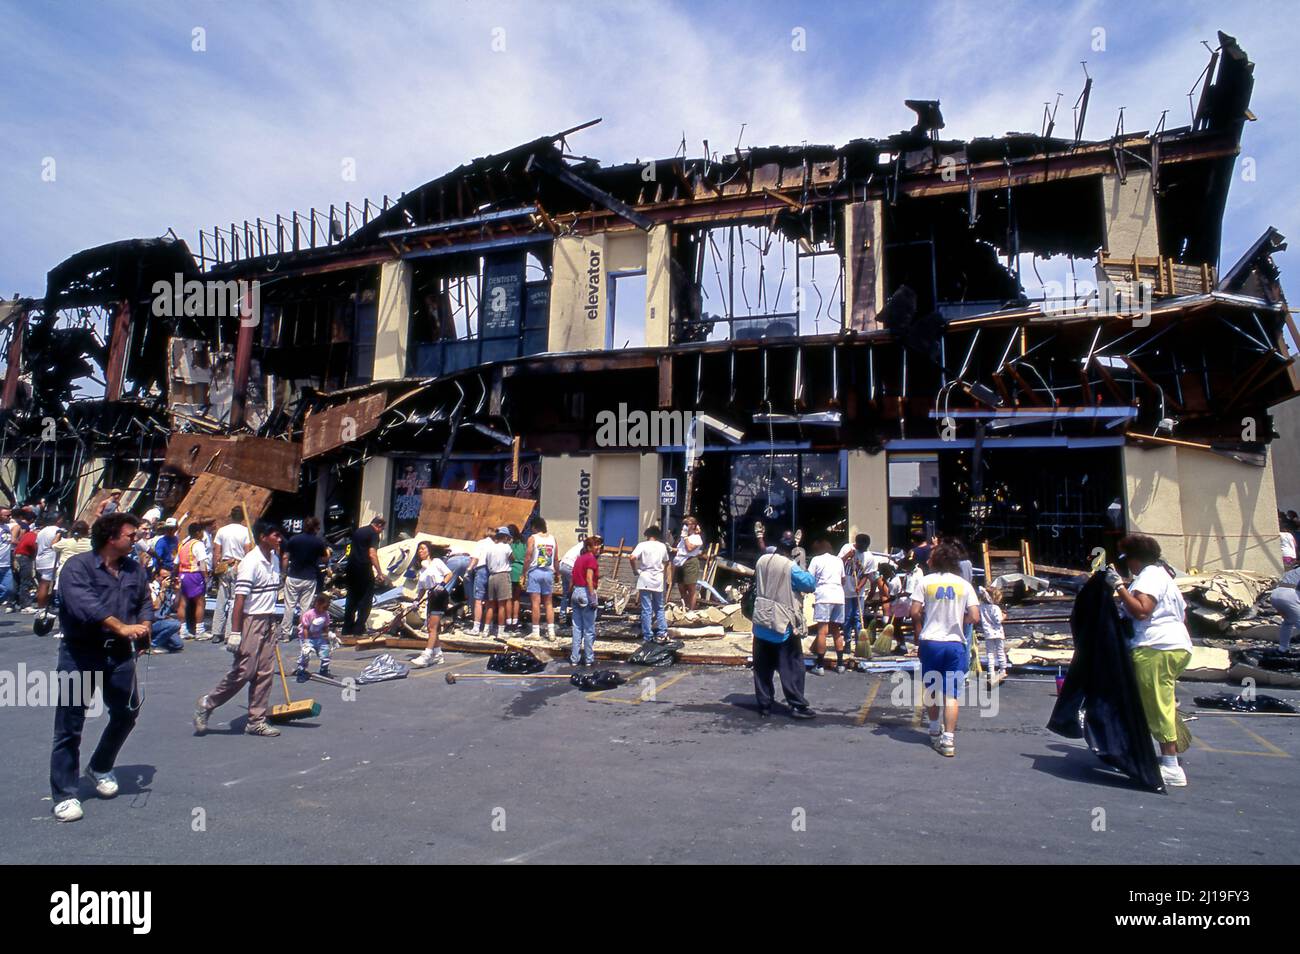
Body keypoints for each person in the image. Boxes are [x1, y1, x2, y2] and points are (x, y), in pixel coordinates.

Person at [50, 512, 152, 822]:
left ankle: (100, 765)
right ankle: (65, 794)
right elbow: (84, 604)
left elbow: (144, 601)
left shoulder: (134, 569)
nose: (136, 540)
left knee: (126, 712)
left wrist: (145, 625)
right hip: (81, 654)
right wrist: (120, 626)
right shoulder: (77, 567)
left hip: (119, 656)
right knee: (70, 725)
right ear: (111, 538)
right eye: (131, 535)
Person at [1106, 533, 1194, 788]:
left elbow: (1143, 611)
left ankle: (1171, 766)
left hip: (1156, 647)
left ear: (1134, 558)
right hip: (1172, 645)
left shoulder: (1151, 577)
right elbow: (1182, 617)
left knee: (1157, 703)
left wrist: (1119, 588)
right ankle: (1156, 751)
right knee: (1157, 701)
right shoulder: (1163, 576)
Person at [193, 520, 286, 738]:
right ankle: (208, 703)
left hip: (269, 620)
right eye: (275, 535)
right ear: (264, 537)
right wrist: (235, 632)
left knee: (265, 673)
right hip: (250, 620)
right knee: (245, 671)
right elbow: (239, 600)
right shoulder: (250, 563)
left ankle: (256, 720)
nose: (279, 539)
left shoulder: (273, 559)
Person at [910, 541, 980, 758]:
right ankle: (948, 740)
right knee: (951, 694)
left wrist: (921, 629)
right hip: (954, 642)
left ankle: (932, 729)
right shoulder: (964, 585)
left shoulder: (925, 582)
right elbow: (975, 617)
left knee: (931, 688)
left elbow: (914, 611)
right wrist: (960, 621)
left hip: (931, 641)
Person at [751, 531, 817, 720]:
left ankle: (764, 705)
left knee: (762, 668)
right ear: (791, 551)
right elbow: (809, 585)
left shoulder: (762, 561)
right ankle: (797, 705)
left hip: (762, 621)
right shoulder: (791, 568)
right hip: (783, 625)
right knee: (792, 667)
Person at [280, 516, 329, 641]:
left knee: (289, 606)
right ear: (316, 528)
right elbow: (324, 558)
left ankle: (286, 633)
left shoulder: (294, 539)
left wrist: (284, 573)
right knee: (305, 607)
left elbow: (285, 557)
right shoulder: (318, 542)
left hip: (293, 575)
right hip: (309, 577)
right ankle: (303, 630)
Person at [211, 509, 253, 644]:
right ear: (242, 518)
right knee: (235, 600)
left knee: (221, 599)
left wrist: (215, 568)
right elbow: (248, 553)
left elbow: (216, 553)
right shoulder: (246, 532)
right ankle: (229, 633)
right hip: (238, 566)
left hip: (224, 565)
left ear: (230, 517)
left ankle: (216, 632)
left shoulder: (222, 531)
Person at [806, 538, 847, 675]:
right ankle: (840, 664)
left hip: (824, 595)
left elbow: (809, 579)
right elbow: (843, 580)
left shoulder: (816, 560)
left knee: (822, 631)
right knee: (836, 630)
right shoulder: (838, 560)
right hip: (839, 596)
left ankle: (820, 665)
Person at [343, 516, 387, 636]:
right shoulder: (373, 534)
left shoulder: (359, 531)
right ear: (378, 526)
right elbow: (372, 554)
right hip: (363, 568)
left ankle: (347, 628)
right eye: (382, 529)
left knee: (351, 598)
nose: (381, 532)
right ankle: (358, 628)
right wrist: (379, 572)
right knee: (366, 599)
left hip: (351, 568)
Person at [411, 542, 452, 668]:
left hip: (439, 594)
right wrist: (416, 600)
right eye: (419, 549)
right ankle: (438, 654)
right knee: (430, 627)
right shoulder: (422, 569)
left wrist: (442, 584)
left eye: (423, 548)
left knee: (433, 627)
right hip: (431, 595)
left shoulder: (437, 562)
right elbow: (422, 588)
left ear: (429, 550)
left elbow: (449, 574)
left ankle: (426, 656)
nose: (420, 551)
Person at [628, 525, 670, 643]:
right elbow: (666, 561)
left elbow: (632, 557)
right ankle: (662, 632)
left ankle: (648, 635)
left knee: (646, 609)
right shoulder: (662, 546)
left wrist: (635, 570)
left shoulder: (642, 545)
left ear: (648, 535)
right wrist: (664, 572)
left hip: (645, 577)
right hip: (658, 578)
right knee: (659, 607)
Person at [839, 533, 878, 655]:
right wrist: (847, 556)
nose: (864, 549)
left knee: (857, 618)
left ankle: (859, 643)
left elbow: (866, 575)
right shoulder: (846, 548)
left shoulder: (869, 557)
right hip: (845, 591)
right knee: (847, 618)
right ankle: (847, 642)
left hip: (858, 593)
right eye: (862, 546)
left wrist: (860, 586)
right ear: (857, 544)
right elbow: (837, 563)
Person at [570, 534, 603, 667]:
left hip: (576, 592)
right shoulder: (591, 559)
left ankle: (574, 658)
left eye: (599, 544)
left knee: (577, 628)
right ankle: (589, 659)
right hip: (585, 592)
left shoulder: (579, 559)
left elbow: (573, 576)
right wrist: (592, 597)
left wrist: (569, 593)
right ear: (589, 547)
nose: (598, 547)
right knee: (589, 629)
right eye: (595, 545)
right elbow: (589, 578)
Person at [524, 517, 558, 639]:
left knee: (535, 604)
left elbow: (528, 556)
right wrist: (557, 574)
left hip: (535, 572)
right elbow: (555, 558)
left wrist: (524, 572)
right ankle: (551, 631)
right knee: (549, 603)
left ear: (534, 526)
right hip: (548, 572)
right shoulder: (552, 539)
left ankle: (535, 632)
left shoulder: (532, 539)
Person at [176, 522, 209, 639]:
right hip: (194, 574)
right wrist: (206, 577)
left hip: (182, 574)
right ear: (198, 532)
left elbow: (176, 562)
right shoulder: (198, 544)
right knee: (200, 602)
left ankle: (183, 629)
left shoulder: (183, 544)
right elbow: (202, 562)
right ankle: (200, 630)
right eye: (202, 532)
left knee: (182, 603)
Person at [482, 526, 515, 640]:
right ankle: (500, 631)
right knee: (502, 605)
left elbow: (487, 561)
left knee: (490, 605)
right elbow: (512, 559)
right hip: (502, 575)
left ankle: (486, 630)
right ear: (505, 537)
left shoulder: (490, 548)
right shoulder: (506, 547)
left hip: (492, 576)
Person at [294, 592, 335, 680]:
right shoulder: (309, 614)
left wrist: (328, 638)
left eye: (327, 608)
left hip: (319, 637)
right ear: (317, 604)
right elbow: (305, 628)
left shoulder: (325, 614)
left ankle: (324, 670)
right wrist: (306, 642)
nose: (325, 609)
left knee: (326, 653)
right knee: (306, 654)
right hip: (308, 637)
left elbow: (325, 626)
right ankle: (301, 670)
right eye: (324, 607)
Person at [34, 512, 66, 621]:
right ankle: (41, 610)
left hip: (41, 559)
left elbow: (37, 545)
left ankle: (44, 608)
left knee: (46, 585)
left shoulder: (42, 531)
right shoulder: (57, 531)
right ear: (58, 519)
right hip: (50, 561)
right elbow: (55, 545)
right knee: (45, 585)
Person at [466, 527, 497, 635]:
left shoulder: (481, 543)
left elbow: (475, 558)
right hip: (493, 572)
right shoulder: (496, 545)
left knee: (478, 600)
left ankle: (476, 627)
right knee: (490, 601)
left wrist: (468, 569)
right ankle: (488, 627)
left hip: (482, 570)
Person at [148, 567, 184, 653]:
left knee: (178, 645)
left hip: (162, 622)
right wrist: (162, 589)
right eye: (164, 577)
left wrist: (178, 591)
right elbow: (155, 606)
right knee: (175, 624)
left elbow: (175, 607)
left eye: (168, 578)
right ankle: (152, 645)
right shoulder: (151, 587)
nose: (166, 580)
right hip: (151, 623)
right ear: (157, 577)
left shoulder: (170, 589)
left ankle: (157, 640)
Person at [672, 516, 704, 610]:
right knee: (681, 586)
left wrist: (685, 537)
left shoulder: (696, 538)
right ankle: (685, 606)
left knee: (691, 588)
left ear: (693, 525)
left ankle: (691, 609)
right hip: (680, 561)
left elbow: (689, 549)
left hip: (690, 561)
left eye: (687, 524)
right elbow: (681, 549)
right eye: (684, 524)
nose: (685, 526)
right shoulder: (684, 537)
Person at [978, 586, 1008, 685]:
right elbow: (998, 620)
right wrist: (1003, 616)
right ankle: (1003, 669)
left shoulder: (982, 607)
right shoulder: (995, 608)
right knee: (1000, 651)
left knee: (990, 653)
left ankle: (991, 672)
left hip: (988, 633)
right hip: (998, 632)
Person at [1268, 565, 1300, 653]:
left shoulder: (1294, 570)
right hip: (1289, 596)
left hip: (1275, 595)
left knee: (1288, 622)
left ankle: (1283, 648)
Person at [52, 519, 92, 587]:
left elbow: (53, 546)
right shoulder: (91, 543)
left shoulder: (66, 542)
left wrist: (58, 534)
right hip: (84, 573)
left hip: (66, 571)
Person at [13, 512, 37, 613]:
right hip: (24, 557)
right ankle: (25, 605)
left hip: (17, 556)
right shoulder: (33, 535)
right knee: (25, 581)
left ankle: (14, 602)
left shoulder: (28, 535)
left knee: (17, 580)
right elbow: (32, 546)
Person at [557, 538, 584, 621]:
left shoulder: (579, 546)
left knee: (566, 593)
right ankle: (577, 617)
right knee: (578, 591)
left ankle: (562, 616)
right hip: (570, 566)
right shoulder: (585, 548)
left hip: (562, 565)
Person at [507, 523, 526, 633]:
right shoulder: (523, 542)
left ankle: (508, 621)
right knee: (517, 598)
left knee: (509, 598)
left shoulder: (509, 543)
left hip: (510, 571)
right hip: (520, 571)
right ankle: (515, 620)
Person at [0, 505, 16, 610]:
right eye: (7, 515)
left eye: (10, 515)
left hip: (6, 564)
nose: (10, 517)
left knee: (9, 589)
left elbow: (18, 525)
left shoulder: (7, 527)